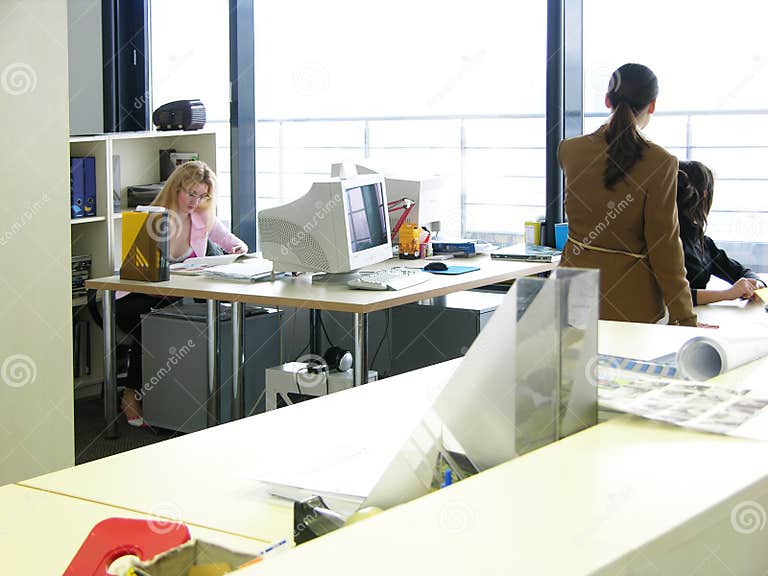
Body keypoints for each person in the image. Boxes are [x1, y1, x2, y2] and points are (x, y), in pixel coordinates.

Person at [558, 63, 697, 326]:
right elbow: (664, 246)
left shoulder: (569, 151)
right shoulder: (661, 162)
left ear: (607, 100)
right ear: (652, 105)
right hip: (632, 303)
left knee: (573, 366)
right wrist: (685, 317)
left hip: (572, 293)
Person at [116, 161, 247, 426]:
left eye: (202, 196)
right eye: (191, 194)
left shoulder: (202, 218)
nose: (196, 201)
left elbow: (233, 242)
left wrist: (236, 249)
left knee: (206, 313)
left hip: (174, 297)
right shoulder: (152, 217)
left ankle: (190, 396)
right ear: (176, 188)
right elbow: (135, 269)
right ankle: (131, 392)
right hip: (135, 297)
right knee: (152, 322)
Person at [676, 160, 765, 305]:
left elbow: (741, 272)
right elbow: (670, 297)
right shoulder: (667, 242)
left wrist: (758, 285)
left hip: (694, 321)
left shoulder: (702, 243)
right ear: (705, 195)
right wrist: (727, 294)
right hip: (673, 324)